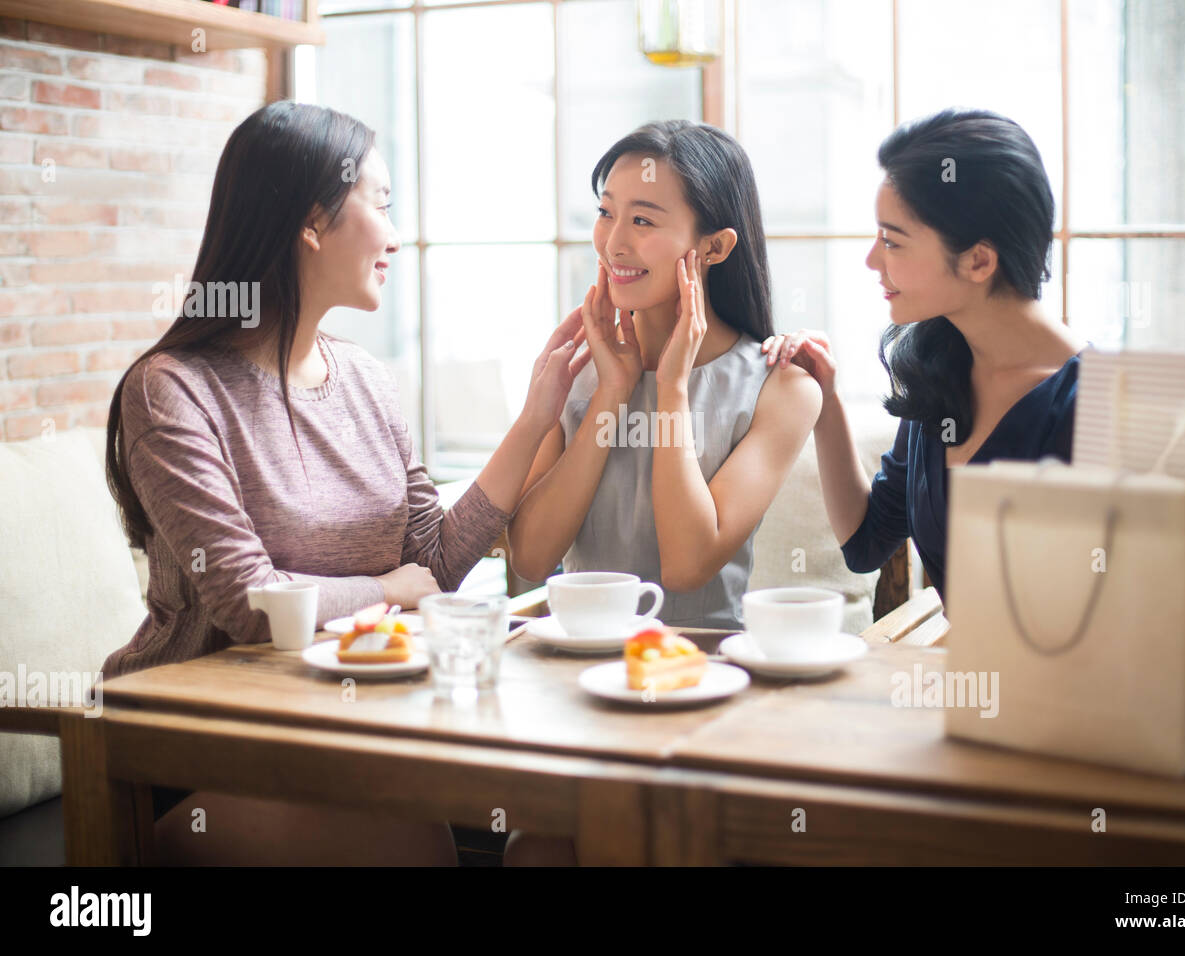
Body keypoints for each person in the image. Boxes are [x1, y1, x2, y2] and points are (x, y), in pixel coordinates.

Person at [102, 101, 590, 865]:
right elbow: (249, 603)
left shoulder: (366, 377)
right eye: (382, 204)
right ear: (311, 222)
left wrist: (536, 419)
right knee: (406, 838)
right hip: (194, 754)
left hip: (342, 725)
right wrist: (392, 591)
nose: (395, 236)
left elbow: (434, 556)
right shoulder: (173, 391)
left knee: (547, 821)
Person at [763, 108, 1090, 602]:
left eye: (893, 240)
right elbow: (866, 543)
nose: (873, 260)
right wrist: (825, 401)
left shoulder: (1091, 403)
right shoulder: (940, 366)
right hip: (957, 674)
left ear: (979, 259)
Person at [507, 120, 821, 629]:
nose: (613, 245)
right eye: (607, 213)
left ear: (714, 248)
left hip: (703, 674)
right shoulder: (573, 372)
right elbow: (530, 558)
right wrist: (612, 391)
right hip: (574, 668)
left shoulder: (782, 389)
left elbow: (686, 566)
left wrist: (672, 389)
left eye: (644, 222)